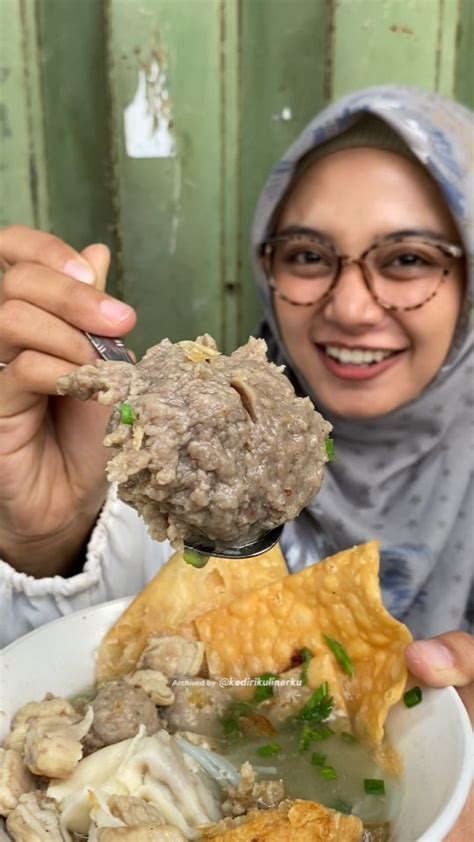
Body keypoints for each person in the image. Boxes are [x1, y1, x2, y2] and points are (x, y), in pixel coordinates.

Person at [0, 86, 473, 714]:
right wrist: (51, 542)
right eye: (309, 255)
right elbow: (90, 677)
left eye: (408, 259)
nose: (352, 308)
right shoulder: (164, 466)